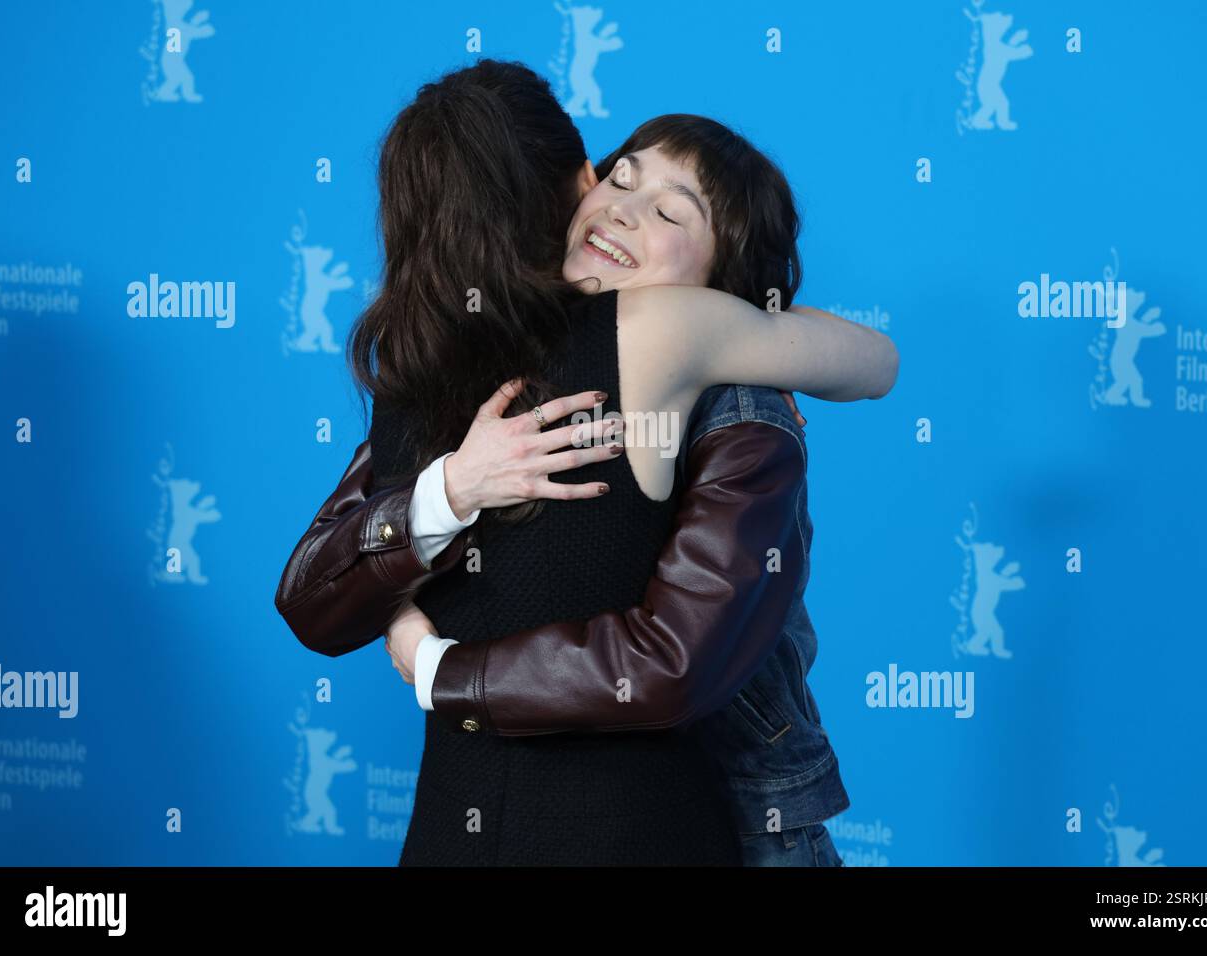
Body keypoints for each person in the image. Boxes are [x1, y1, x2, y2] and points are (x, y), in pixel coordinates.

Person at [275, 60, 897, 866]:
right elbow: (315, 585)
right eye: (618, 178)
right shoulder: (454, 358)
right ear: (575, 184)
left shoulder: (666, 339)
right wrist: (452, 490)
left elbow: (671, 661)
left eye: (672, 211)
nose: (625, 211)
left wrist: (439, 667)